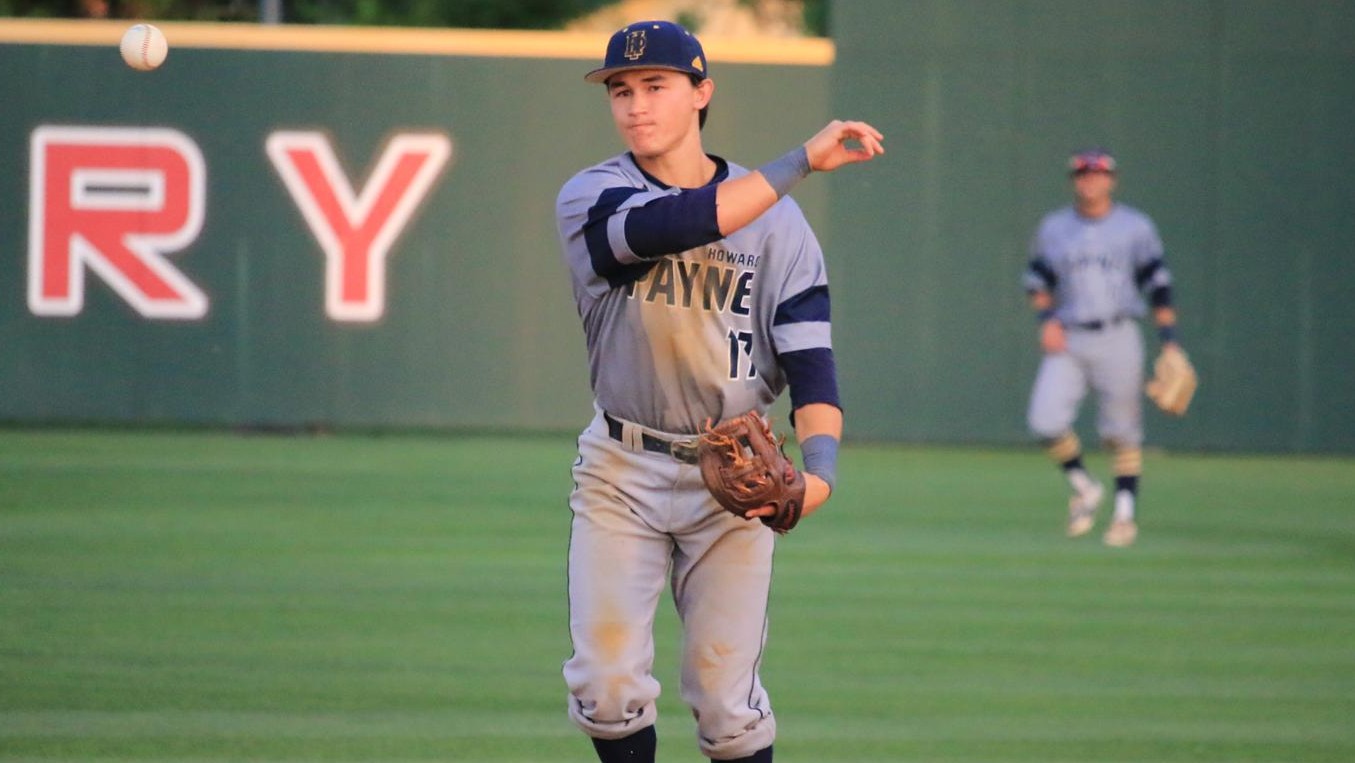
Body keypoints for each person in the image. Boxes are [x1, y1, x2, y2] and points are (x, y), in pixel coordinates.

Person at [553, 19, 884, 763]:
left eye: (656, 86)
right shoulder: (592, 195)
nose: (635, 104)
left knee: (726, 707)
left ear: (701, 93)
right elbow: (681, 221)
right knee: (606, 685)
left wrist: (819, 474)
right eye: (621, 90)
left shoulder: (782, 227)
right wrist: (801, 159)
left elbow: (810, 359)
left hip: (733, 474)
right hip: (622, 469)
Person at [1023, 147, 1185, 548]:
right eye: (1082, 174)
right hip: (1070, 334)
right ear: (1074, 181)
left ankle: (1125, 515)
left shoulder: (1134, 227)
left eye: (1098, 174)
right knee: (1044, 421)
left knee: (1121, 431)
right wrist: (1046, 322)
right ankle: (1085, 486)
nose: (1090, 180)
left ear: (1111, 180)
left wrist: (1170, 345)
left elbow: (1158, 286)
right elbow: (1036, 282)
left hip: (1118, 334)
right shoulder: (1056, 227)